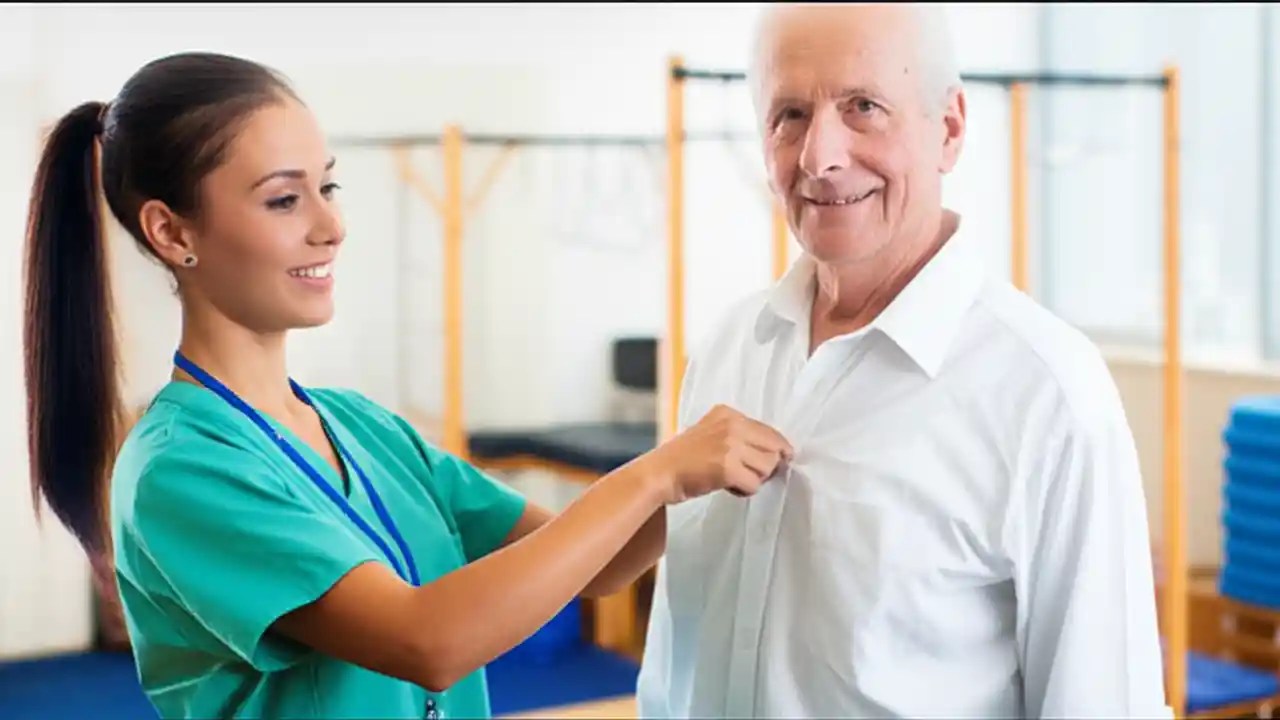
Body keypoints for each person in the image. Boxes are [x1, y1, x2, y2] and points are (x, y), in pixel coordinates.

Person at [21, 51, 795, 720]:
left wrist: (732, 461)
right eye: (285, 199)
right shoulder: (179, 472)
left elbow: (598, 565)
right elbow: (429, 641)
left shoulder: (360, 426)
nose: (330, 227)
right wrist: (660, 471)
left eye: (330, 188)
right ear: (172, 232)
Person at [637, 4, 1169, 718]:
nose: (820, 156)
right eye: (789, 114)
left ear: (948, 129)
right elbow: (674, 661)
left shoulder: (1048, 395)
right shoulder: (727, 351)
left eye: (864, 107)